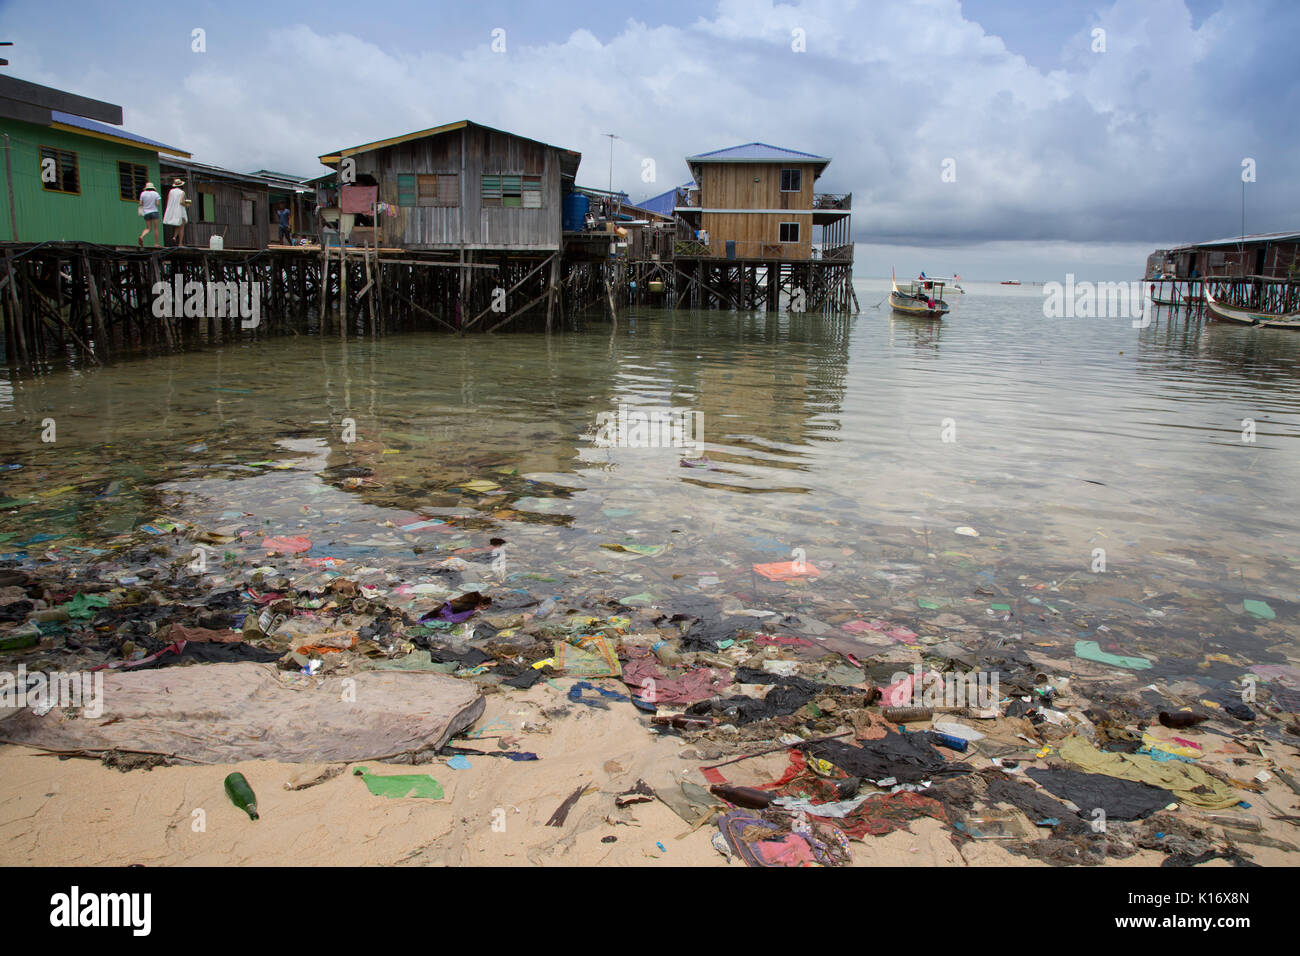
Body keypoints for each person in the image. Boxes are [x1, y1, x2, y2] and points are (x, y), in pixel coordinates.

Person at [163, 178, 191, 246]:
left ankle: (174, 237)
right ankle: (180, 243)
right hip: (180, 210)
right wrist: (186, 204)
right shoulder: (182, 192)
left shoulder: (171, 191)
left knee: (179, 224)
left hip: (173, 209)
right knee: (182, 226)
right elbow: (181, 202)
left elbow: (169, 200)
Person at [137, 182, 162, 247]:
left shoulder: (143, 194)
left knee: (148, 228)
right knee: (156, 228)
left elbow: (140, 204)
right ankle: (156, 244)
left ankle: (141, 236)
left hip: (146, 213)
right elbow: (157, 204)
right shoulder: (156, 193)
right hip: (154, 211)